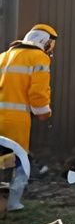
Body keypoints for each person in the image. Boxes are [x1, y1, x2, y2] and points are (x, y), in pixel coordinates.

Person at [0, 24, 57, 211]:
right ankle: (13, 202)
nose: (50, 48)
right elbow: (38, 92)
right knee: (20, 160)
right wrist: (44, 112)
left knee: (2, 157)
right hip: (15, 120)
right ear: (43, 40)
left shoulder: (4, 56)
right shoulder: (38, 58)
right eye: (50, 43)